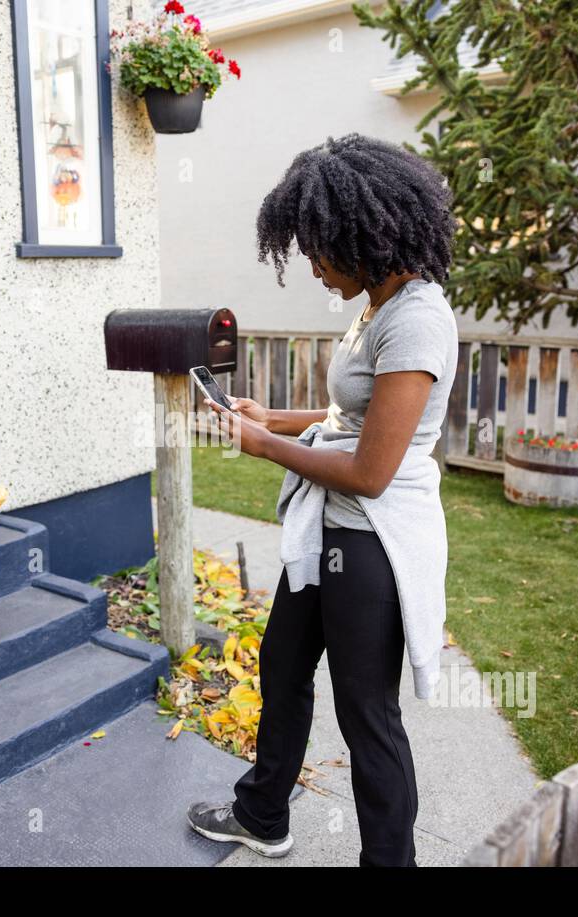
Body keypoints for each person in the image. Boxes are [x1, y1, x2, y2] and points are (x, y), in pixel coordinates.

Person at [186, 133, 459, 867]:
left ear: (360, 236)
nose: (312, 264)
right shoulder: (378, 304)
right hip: (327, 529)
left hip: (369, 540)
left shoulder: (418, 319)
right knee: (282, 663)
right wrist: (268, 415)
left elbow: (371, 469)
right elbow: (352, 418)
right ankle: (263, 813)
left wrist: (263, 447)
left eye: (319, 248)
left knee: (367, 715)